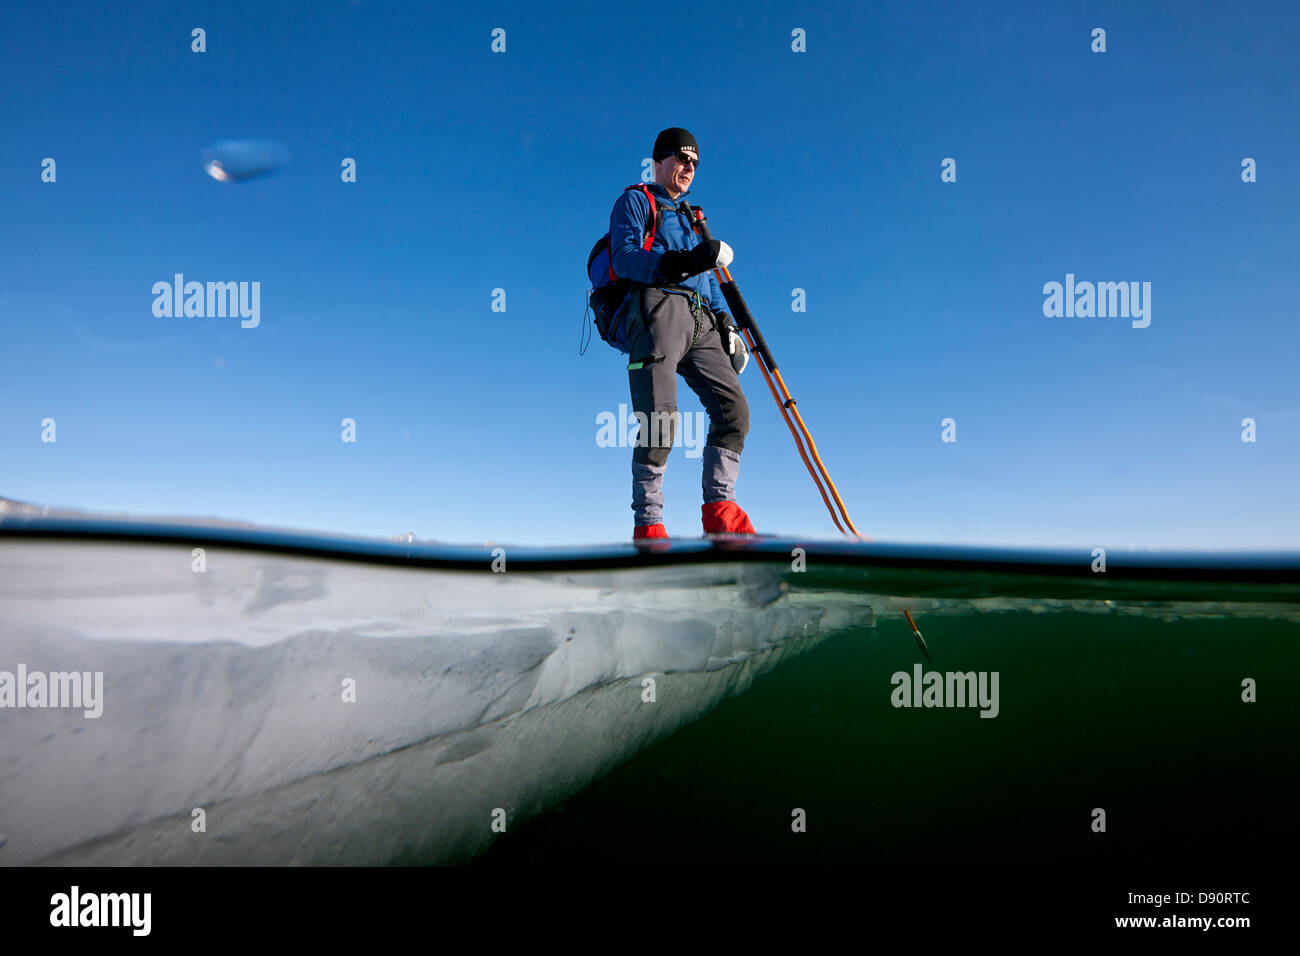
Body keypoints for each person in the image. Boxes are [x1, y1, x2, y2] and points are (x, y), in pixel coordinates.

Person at [608, 128, 757, 539]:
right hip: (658, 306)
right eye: (680, 158)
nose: (689, 167)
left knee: (734, 412)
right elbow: (623, 258)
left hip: (701, 319)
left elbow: (709, 282)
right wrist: (679, 264)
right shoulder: (637, 200)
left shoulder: (694, 220)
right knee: (661, 420)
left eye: (695, 162)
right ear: (659, 161)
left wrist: (727, 324)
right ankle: (650, 528)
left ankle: (722, 515)